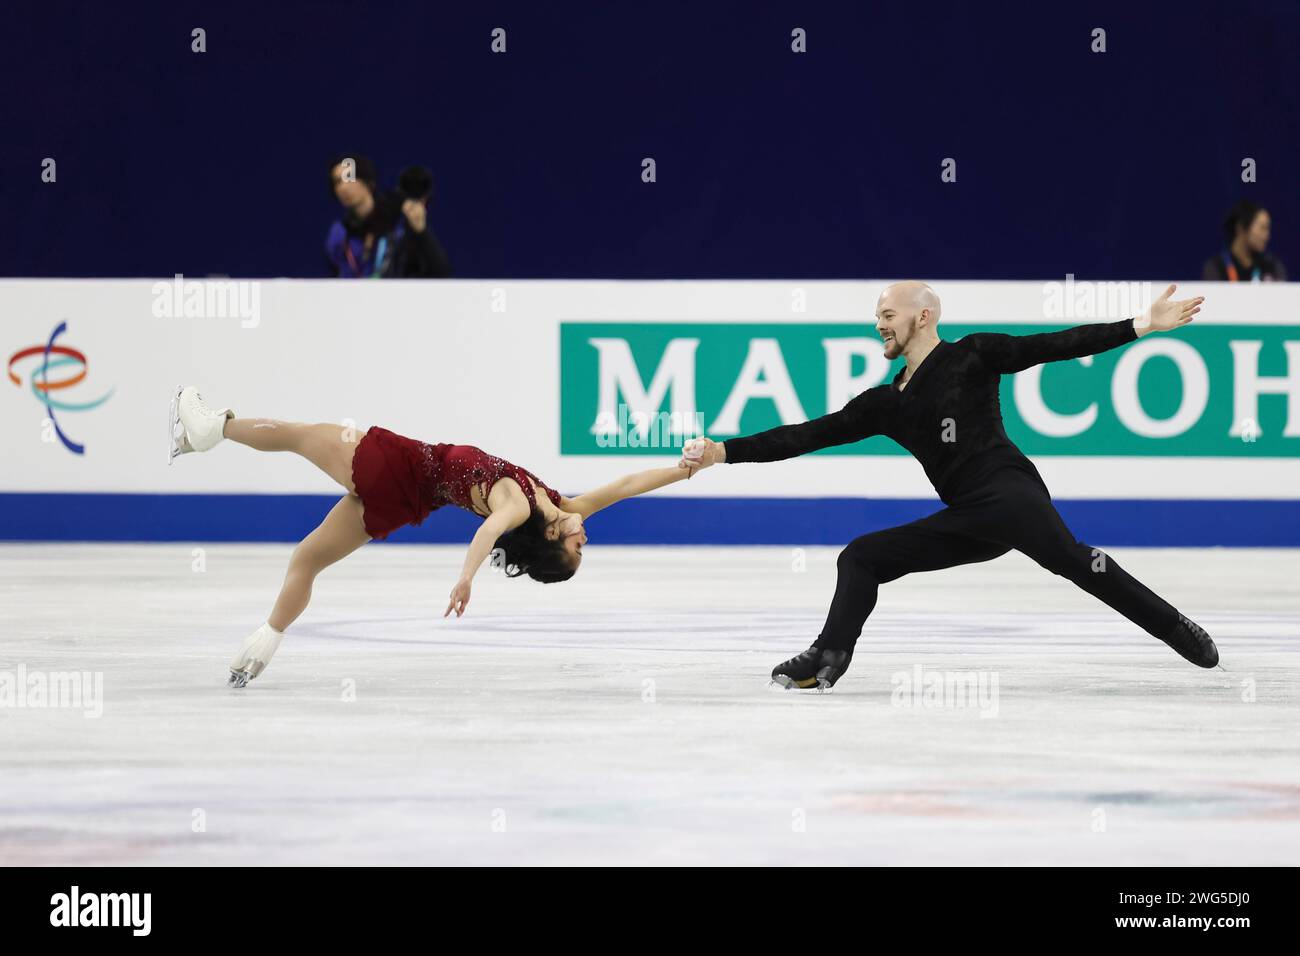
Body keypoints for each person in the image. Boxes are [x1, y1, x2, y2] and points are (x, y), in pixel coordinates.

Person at [679, 281, 1219, 692]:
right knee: (862, 557)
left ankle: (1177, 628)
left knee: (1077, 563)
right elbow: (808, 434)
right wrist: (724, 452)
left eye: (887, 315)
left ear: (924, 315)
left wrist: (1139, 325)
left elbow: (1053, 345)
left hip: (1009, 492)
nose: (879, 326)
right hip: (970, 518)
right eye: (877, 317)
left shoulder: (974, 354)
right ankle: (829, 656)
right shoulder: (885, 403)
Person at [168, 386, 691, 687]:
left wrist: (465, 579)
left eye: (578, 548)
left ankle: (211, 429)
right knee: (307, 560)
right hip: (406, 501)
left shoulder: (520, 505)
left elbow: (489, 527)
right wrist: (684, 470)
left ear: (554, 539)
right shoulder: (560, 503)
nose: (586, 538)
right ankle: (263, 643)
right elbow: (626, 486)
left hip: (398, 465)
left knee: (301, 435)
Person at [324, 155, 452, 278]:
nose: (343, 187)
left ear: (368, 181)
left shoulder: (399, 223)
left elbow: (440, 273)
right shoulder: (339, 234)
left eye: (348, 178)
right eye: (337, 182)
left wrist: (421, 232)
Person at [1201, 200, 1287, 281]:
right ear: (1241, 227)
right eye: (1262, 228)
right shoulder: (1216, 267)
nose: (1267, 235)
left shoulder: (1271, 266)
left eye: (1268, 229)